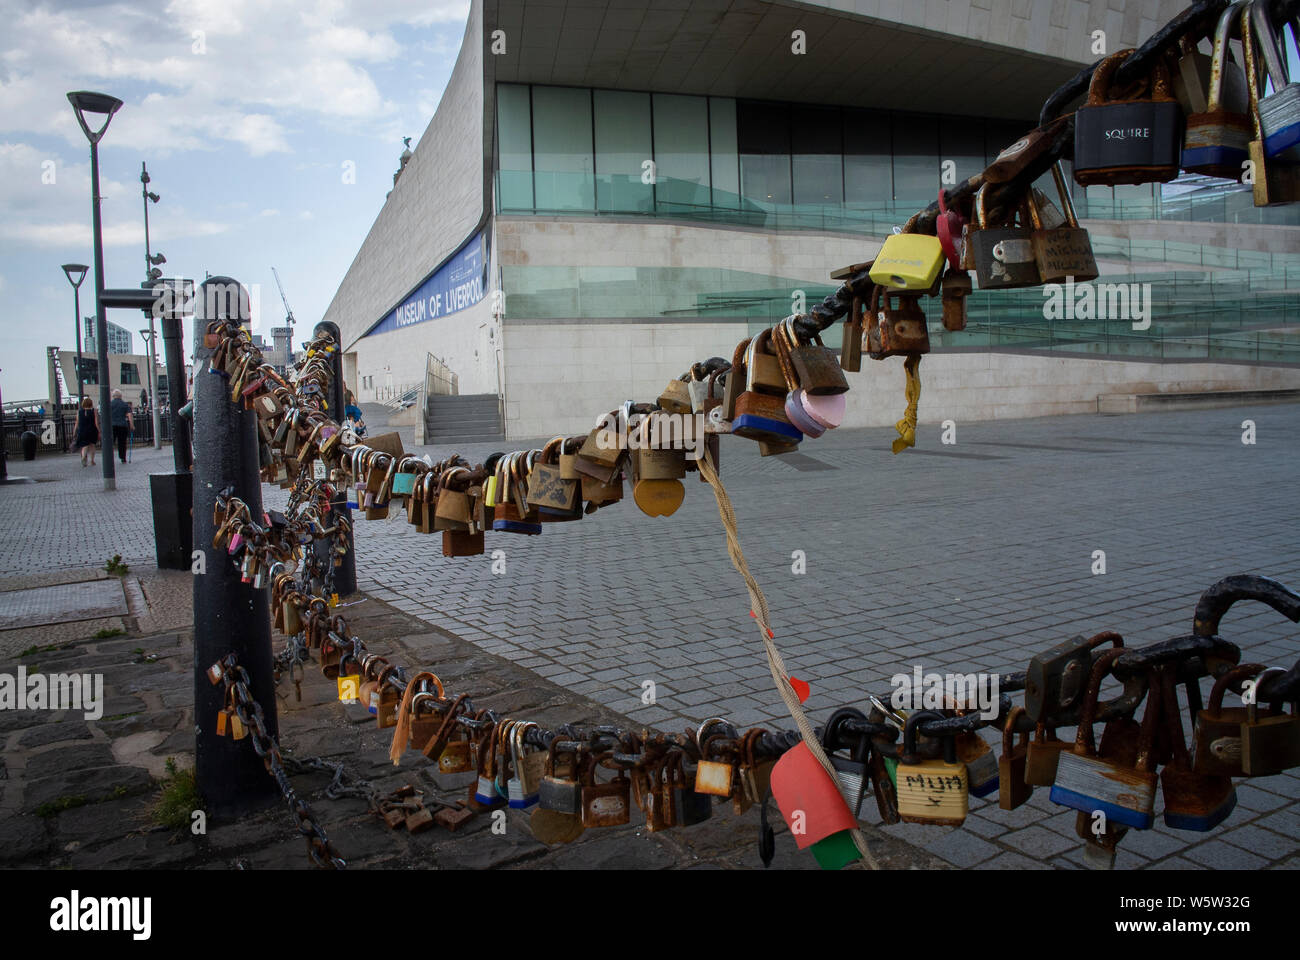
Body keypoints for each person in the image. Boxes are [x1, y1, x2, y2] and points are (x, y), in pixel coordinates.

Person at [109, 389, 134, 464]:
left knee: (111, 442)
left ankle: (109, 457)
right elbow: (129, 415)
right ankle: (123, 457)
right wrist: (131, 425)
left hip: (112, 426)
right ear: (121, 396)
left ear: (113, 396)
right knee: (122, 442)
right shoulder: (125, 404)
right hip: (122, 425)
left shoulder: (109, 404)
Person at [74, 396, 99, 468]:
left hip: (82, 430)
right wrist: (99, 430)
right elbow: (96, 422)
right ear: (91, 403)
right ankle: (92, 460)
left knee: (84, 446)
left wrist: (74, 431)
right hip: (92, 430)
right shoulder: (94, 411)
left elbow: (77, 422)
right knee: (92, 445)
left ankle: (83, 458)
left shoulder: (79, 412)